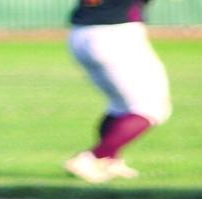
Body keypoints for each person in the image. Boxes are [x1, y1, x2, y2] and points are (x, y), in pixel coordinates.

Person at [64, 0, 173, 184]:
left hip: (81, 34)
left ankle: (108, 161)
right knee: (151, 108)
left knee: (120, 105)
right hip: (116, 34)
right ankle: (93, 157)